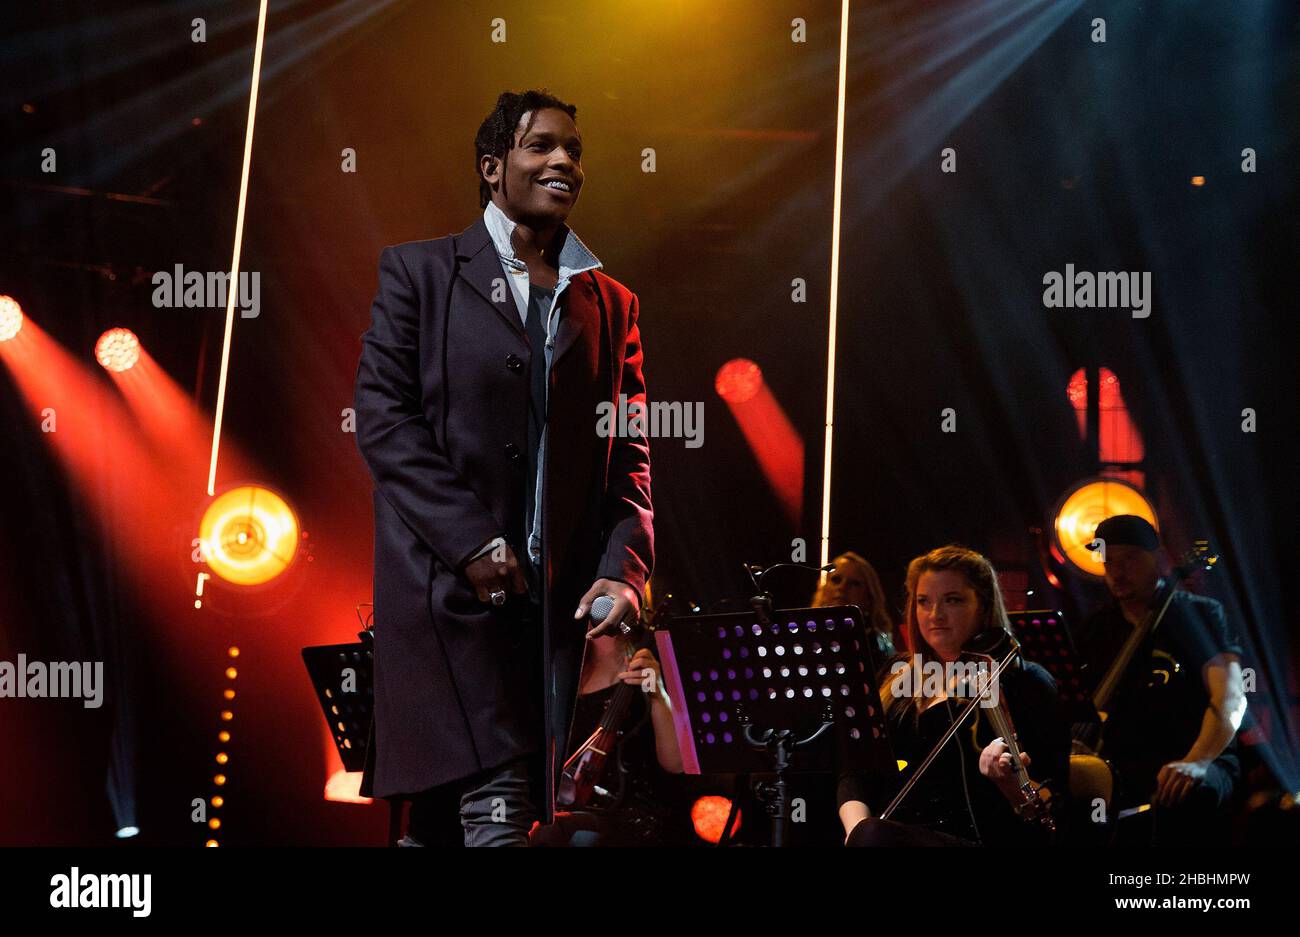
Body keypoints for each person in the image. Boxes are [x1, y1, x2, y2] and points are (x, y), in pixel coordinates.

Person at [353, 89, 654, 846]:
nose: (563, 162)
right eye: (542, 146)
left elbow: (630, 455)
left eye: (574, 151)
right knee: (479, 812)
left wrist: (625, 569)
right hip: (443, 608)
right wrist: (472, 542)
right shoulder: (419, 274)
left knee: (473, 821)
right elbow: (385, 422)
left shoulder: (610, 303)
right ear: (493, 167)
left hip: (546, 622)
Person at [838, 545, 1069, 846]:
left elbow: (1054, 806)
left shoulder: (1023, 681)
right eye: (924, 602)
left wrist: (1009, 784)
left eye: (953, 600)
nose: (935, 615)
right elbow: (855, 773)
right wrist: (856, 832)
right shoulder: (894, 678)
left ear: (983, 606)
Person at [1074, 515, 1246, 846]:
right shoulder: (1095, 628)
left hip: (1194, 754)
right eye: (1109, 560)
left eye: (1130, 558)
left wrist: (1196, 761)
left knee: (1186, 792)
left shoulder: (1200, 614)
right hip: (1120, 763)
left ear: (1161, 559)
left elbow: (1231, 698)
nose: (1117, 570)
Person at [531, 631, 687, 846]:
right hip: (569, 810)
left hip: (631, 818)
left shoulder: (655, 655)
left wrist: (658, 693)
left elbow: (676, 763)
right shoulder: (561, 659)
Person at [811, 551, 898, 659]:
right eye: (836, 580)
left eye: (854, 583)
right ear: (824, 589)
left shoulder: (880, 646)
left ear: (869, 596)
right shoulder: (808, 634)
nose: (842, 587)